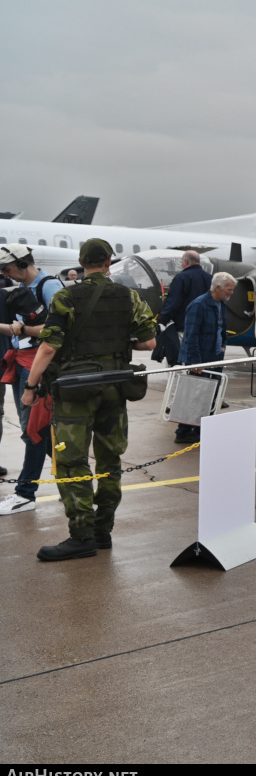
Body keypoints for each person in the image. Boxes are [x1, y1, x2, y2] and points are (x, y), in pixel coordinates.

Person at [24, 238, 157, 561]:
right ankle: (102, 531)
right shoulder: (129, 296)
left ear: (82, 263)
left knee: (72, 461)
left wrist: (30, 386)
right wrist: (117, 347)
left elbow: (49, 347)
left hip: (76, 390)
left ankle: (81, 535)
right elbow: (149, 343)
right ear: (109, 262)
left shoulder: (66, 296)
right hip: (114, 386)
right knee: (110, 461)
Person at [0, 244, 67, 516]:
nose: (5, 274)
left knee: (34, 430)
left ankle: (25, 494)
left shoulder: (49, 286)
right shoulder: (26, 287)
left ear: (22, 263)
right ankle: (71, 479)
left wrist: (24, 329)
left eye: (7, 268)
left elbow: (59, 329)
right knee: (35, 429)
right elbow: (20, 331)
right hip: (23, 362)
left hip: (39, 366)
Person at [173, 272, 236, 443]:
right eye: (229, 289)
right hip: (200, 358)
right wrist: (195, 361)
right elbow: (191, 335)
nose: (231, 293)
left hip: (215, 356)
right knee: (194, 396)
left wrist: (223, 344)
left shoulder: (220, 304)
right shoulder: (198, 305)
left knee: (210, 395)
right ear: (218, 288)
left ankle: (202, 429)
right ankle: (183, 432)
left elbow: (221, 327)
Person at [154, 250, 211, 368]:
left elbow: (173, 302)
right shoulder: (210, 278)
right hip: (204, 330)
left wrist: (161, 321)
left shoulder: (182, 277)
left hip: (183, 329)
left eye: (181, 261)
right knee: (199, 365)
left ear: (185, 261)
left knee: (178, 365)